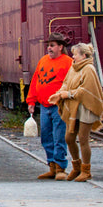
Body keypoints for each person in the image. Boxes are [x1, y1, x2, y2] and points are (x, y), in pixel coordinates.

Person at [49, 42, 103, 182]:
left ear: (84, 56)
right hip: (74, 108)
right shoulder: (74, 68)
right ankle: (76, 166)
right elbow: (66, 83)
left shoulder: (89, 69)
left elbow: (85, 91)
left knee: (83, 138)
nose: (73, 57)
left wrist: (68, 94)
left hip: (86, 108)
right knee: (69, 138)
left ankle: (86, 170)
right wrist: (59, 94)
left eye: (75, 54)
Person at [26, 33, 73, 180]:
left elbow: (73, 83)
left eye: (52, 45)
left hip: (60, 106)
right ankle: (51, 166)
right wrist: (31, 101)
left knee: (59, 136)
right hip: (44, 105)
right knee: (46, 136)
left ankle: (60, 167)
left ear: (60, 47)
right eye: (48, 45)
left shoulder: (68, 63)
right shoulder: (43, 61)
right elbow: (36, 81)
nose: (49, 48)